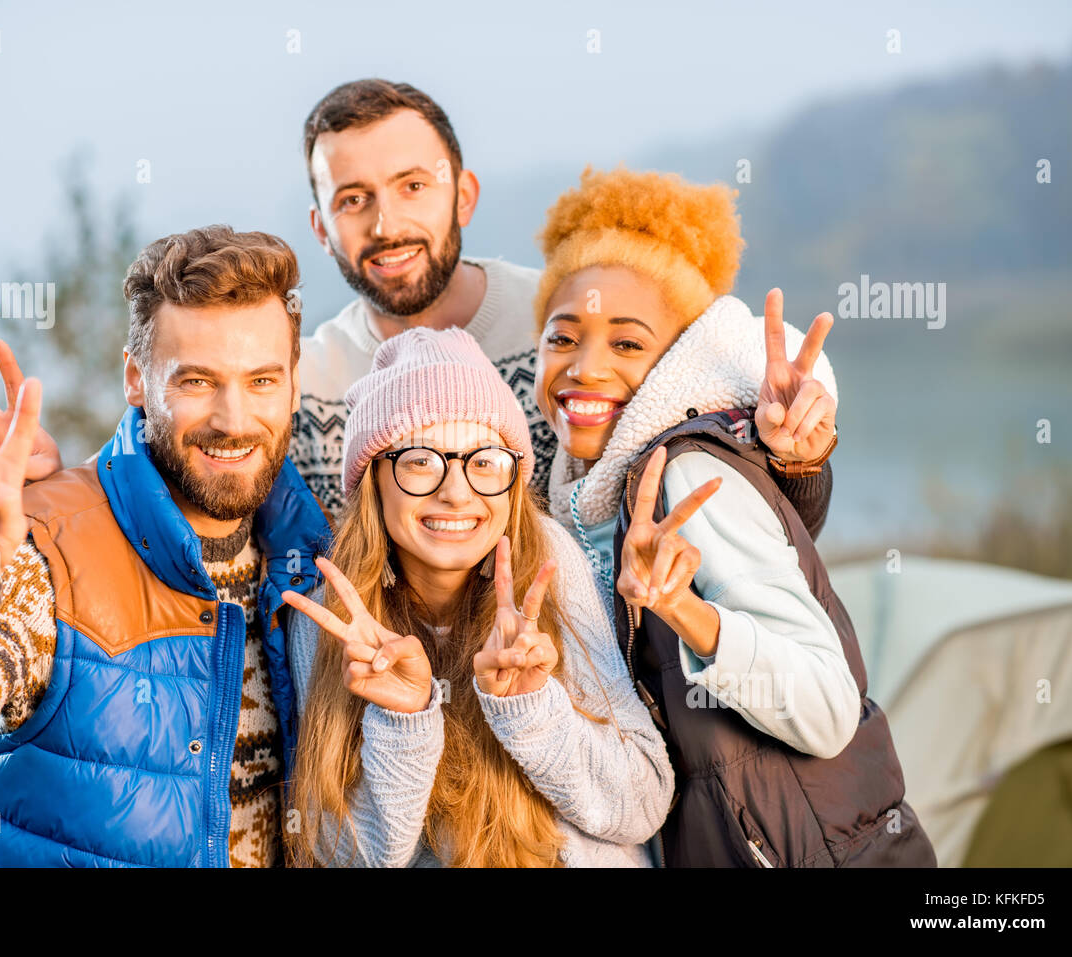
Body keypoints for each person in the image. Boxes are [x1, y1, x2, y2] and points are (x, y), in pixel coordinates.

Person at [0, 226, 333, 867]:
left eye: (261, 380)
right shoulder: (42, 558)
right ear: (136, 378)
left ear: (294, 383)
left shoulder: (318, 561)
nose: (234, 420)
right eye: (197, 381)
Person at [533, 166, 937, 866]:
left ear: (677, 365)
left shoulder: (687, 478)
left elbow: (827, 708)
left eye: (627, 343)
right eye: (562, 338)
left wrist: (687, 614)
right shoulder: (577, 492)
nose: (584, 367)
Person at [291, 79, 838, 514]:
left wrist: (797, 462)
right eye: (353, 199)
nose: (386, 225)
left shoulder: (582, 326)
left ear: (463, 197)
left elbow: (741, 514)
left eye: (413, 186)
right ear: (321, 228)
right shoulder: (299, 386)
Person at [280, 326, 678, 867]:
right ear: (373, 480)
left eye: (485, 460)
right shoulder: (333, 617)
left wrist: (532, 710)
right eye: (420, 460)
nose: (456, 491)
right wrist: (403, 721)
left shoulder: (551, 565)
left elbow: (643, 806)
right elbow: (343, 856)